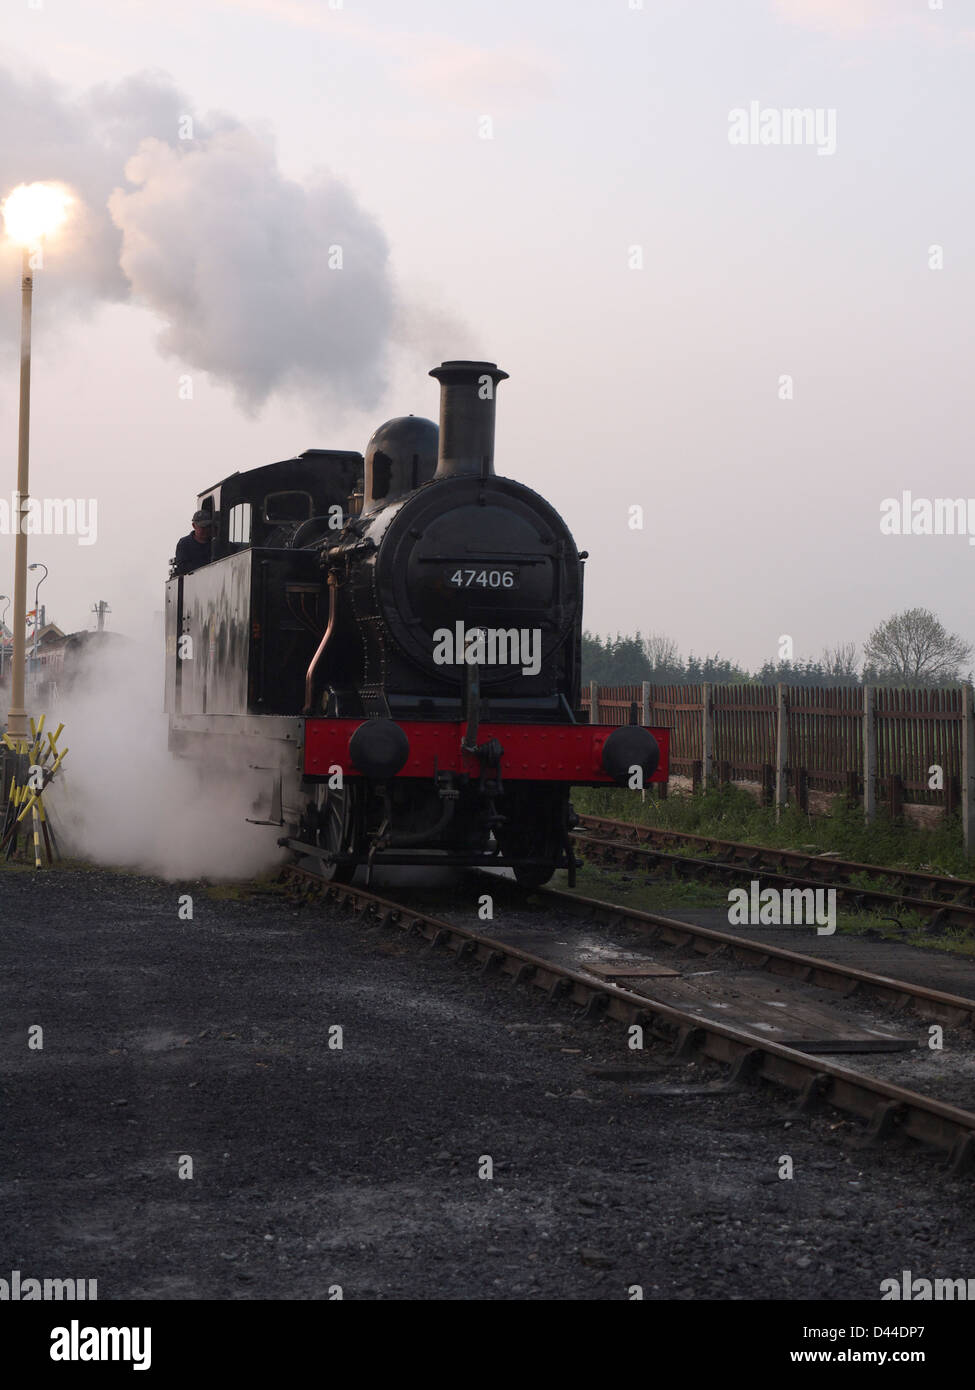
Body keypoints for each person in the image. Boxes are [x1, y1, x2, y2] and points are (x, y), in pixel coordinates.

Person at [173, 510, 214, 575]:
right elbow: (182, 568)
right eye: (202, 527)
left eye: (207, 526)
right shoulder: (184, 544)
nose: (205, 530)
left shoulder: (215, 543)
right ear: (194, 526)